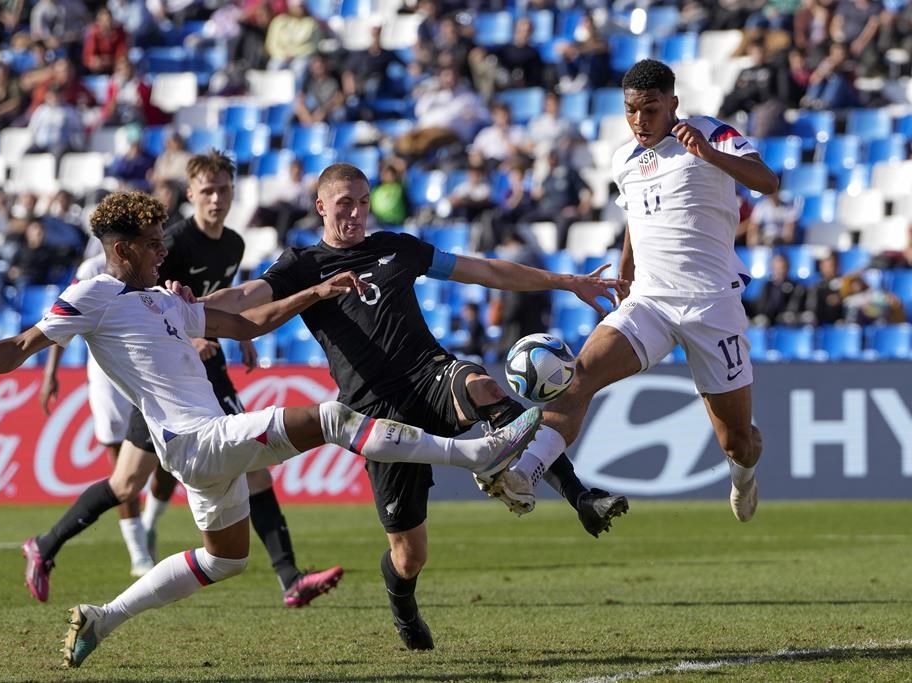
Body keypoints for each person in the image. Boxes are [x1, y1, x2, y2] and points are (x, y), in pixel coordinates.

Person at [0, 190, 544, 669]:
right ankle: (476, 454)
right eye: (153, 242)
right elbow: (17, 347)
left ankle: (104, 618)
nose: (164, 249)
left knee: (226, 559)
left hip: (205, 446)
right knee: (329, 417)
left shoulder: (163, 300)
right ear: (122, 249)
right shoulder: (92, 295)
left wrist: (316, 293)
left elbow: (247, 324)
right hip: (194, 441)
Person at [199, 162, 630, 651]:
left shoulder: (397, 247)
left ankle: (581, 498)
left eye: (363, 203)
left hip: (431, 375)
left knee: (485, 388)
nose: (356, 213)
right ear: (320, 207)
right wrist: (189, 311)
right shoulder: (302, 265)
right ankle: (404, 609)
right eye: (345, 204)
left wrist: (566, 281)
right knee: (409, 556)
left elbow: (484, 270)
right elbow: (245, 297)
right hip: (373, 412)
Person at [22, 152, 344, 611]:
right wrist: (192, 338)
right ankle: (46, 544)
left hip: (206, 372)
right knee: (125, 484)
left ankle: (290, 576)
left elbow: (220, 305)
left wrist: (241, 339)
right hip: (165, 378)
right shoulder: (170, 242)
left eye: (223, 190)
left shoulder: (232, 244)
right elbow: (152, 306)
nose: (216, 199)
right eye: (207, 191)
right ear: (191, 194)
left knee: (250, 470)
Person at [485, 59, 779, 526]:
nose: (640, 120)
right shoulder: (624, 159)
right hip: (649, 302)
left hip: (711, 305)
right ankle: (525, 473)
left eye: (651, 109)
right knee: (578, 376)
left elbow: (768, 182)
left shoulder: (711, 133)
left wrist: (708, 153)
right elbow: (635, 218)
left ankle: (743, 476)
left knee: (737, 442)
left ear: (673, 104)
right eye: (631, 110)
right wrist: (624, 275)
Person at [40, 252, 152, 576]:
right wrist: (50, 372)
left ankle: (150, 524)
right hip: (107, 375)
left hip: (150, 370)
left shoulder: (154, 258)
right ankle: (139, 553)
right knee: (121, 466)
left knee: (165, 459)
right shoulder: (92, 268)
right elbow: (62, 319)